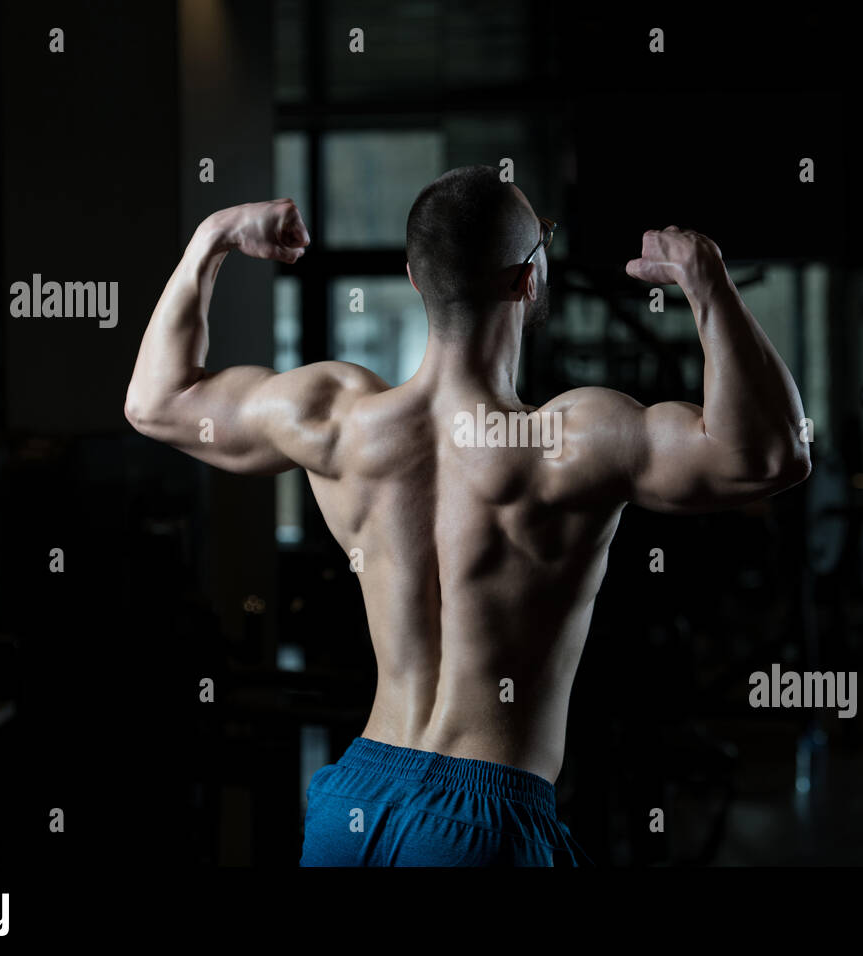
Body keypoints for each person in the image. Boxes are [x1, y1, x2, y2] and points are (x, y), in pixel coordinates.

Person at [125, 165, 810, 865]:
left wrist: (210, 241)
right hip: (485, 823)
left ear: (416, 280)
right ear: (528, 282)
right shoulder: (568, 440)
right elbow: (770, 455)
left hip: (350, 806)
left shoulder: (338, 417)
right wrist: (709, 286)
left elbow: (156, 401)